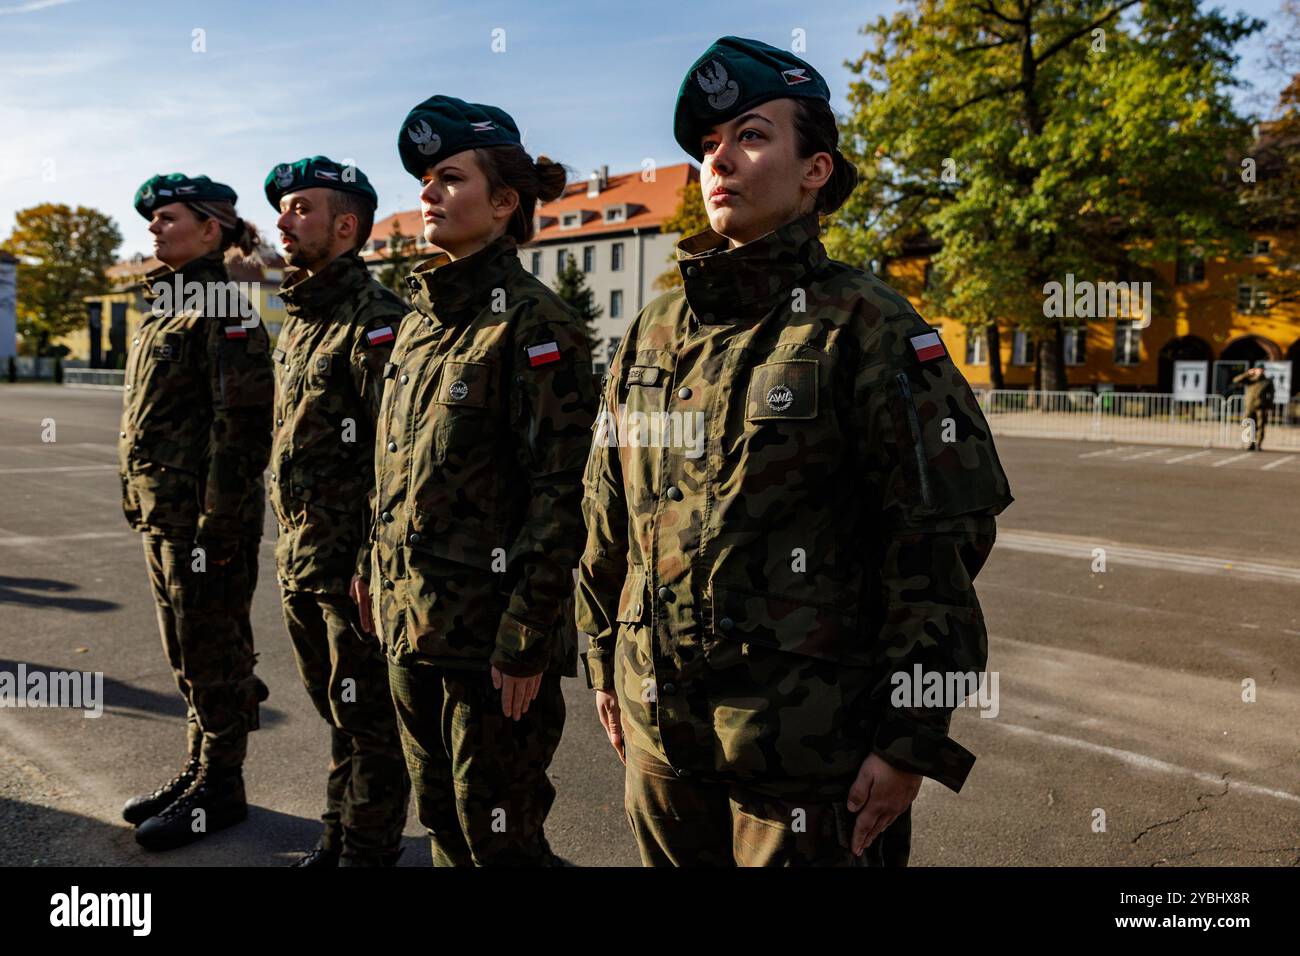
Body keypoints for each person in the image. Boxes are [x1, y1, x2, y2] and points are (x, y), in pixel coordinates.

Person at [575, 37, 1015, 867]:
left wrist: (911, 738)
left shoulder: (868, 325)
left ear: (815, 169)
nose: (719, 163)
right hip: (662, 741)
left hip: (811, 761)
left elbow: (940, 546)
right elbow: (606, 516)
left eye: (749, 135)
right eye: (707, 148)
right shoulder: (652, 332)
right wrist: (603, 660)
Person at [359, 95, 597, 865]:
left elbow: (562, 493)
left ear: (503, 204)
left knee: (497, 829)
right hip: (410, 621)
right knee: (439, 816)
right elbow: (393, 465)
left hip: (489, 645)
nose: (428, 193)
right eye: (425, 179)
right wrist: (374, 566)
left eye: (449, 177)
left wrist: (528, 636)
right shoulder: (419, 323)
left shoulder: (537, 326)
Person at [264, 156, 411, 866]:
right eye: (283, 209)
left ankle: (366, 854)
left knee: (369, 724)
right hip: (302, 558)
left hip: (350, 572)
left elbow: (396, 463)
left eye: (300, 209)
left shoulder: (378, 322)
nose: (282, 222)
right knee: (337, 715)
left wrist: (368, 564)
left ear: (346, 226)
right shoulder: (300, 321)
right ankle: (336, 839)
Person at [119, 173, 273, 851]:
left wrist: (219, 526)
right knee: (185, 652)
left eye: (168, 217)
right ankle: (200, 770)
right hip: (163, 515)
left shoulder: (222, 308)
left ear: (211, 229)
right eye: (152, 218)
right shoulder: (168, 306)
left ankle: (222, 789)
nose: (154, 227)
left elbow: (239, 427)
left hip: (202, 524)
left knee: (212, 652)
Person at [1232, 366, 1275, 451]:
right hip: (1249, 406)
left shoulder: (1267, 381)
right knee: (1249, 425)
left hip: (1260, 407)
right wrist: (1247, 373)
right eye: (1258, 369)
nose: (1260, 371)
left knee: (1260, 426)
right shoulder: (1250, 380)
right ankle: (1251, 443)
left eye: (1261, 369)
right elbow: (1236, 380)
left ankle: (1258, 444)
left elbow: (1271, 395)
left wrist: (1269, 407)